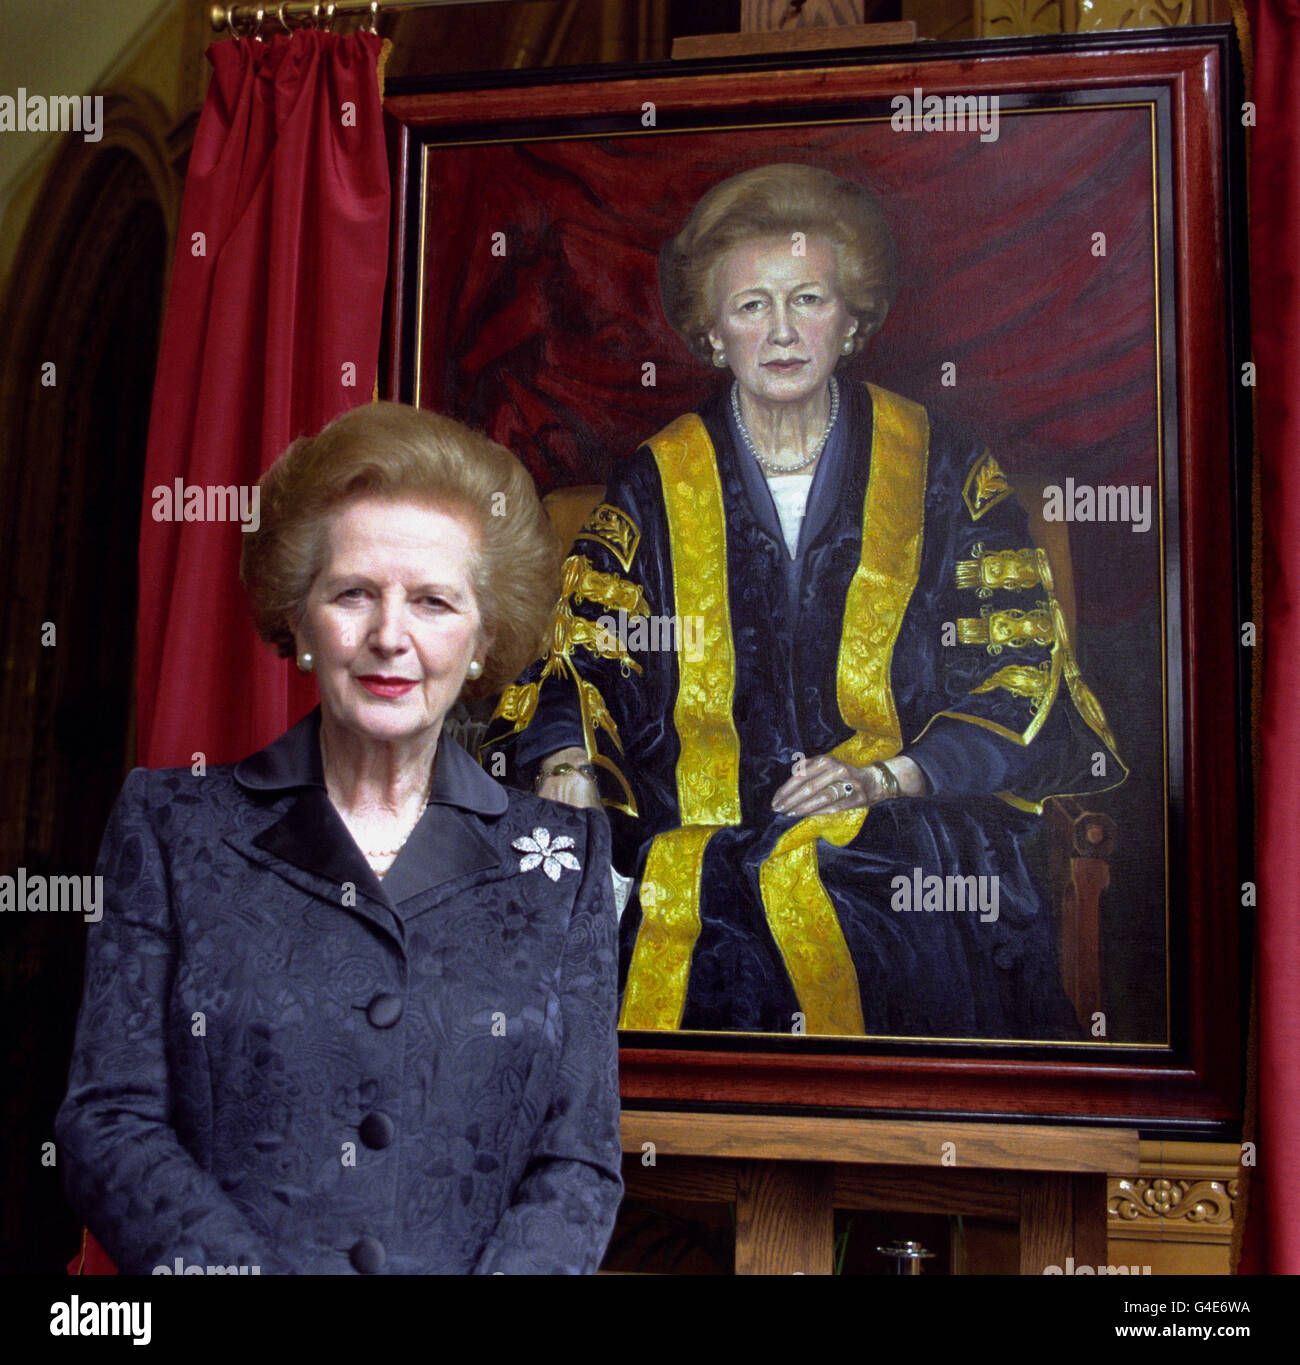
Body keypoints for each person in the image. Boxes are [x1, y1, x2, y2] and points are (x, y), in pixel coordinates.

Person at [486, 163, 1125, 1040]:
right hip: (694, 818)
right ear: (713, 334)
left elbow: (1017, 672)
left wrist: (884, 775)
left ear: (853, 319)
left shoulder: (940, 464)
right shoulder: (656, 478)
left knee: (861, 888)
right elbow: (586, 657)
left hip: (901, 824)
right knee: (669, 886)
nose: (782, 331)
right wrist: (568, 768)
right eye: (752, 307)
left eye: (809, 300)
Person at [56, 402, 623, 1274]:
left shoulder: (563, 866)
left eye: (434, 601)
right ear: (302, 619)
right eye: (355, 593)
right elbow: (108, 1123)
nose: (390, 636)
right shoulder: (172, 828)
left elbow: (577, 1163)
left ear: (483, 639)